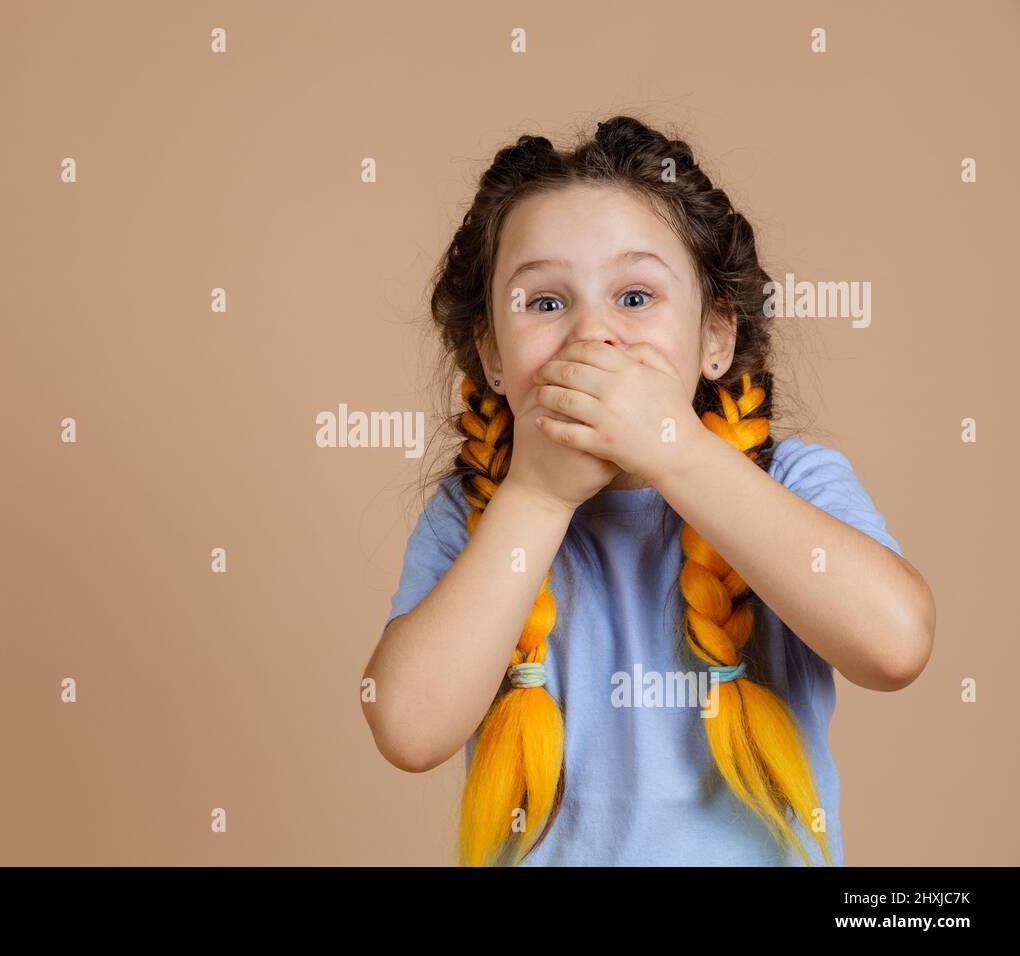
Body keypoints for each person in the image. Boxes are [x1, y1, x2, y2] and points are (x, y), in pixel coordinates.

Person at [361, 116, 935, 867]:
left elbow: (895, 646)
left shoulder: (787, 482)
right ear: (492, 357)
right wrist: (535, 500)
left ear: (715, 340)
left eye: (635, 298)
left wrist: (677, 455)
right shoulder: (477, 514)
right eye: (544, 303)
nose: (592, 337)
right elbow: (406, 728)